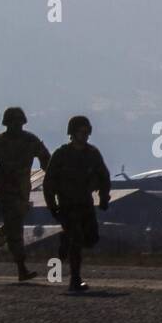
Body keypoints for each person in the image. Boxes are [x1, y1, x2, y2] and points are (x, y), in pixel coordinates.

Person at [0, 107, 51, 281]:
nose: (15, 126)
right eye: (13, 122)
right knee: (15, 228)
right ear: (7, 123)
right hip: (5, 191)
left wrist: (52, 173)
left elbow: (46, 158)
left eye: (18, 122)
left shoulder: (30, 140)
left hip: (21, 192)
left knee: (13, 227)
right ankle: (21, 268)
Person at [43, 115, 110, 293]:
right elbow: (49, 182)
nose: (86, 135)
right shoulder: (61, 155)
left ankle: (65, 239)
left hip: (85, 204)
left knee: (91, 238)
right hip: (67, 205)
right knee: (77, 239)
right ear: (73, 133)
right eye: (82, 132)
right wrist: (52, 205)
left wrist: (104, 197)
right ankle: (75, 279)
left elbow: (104, 176)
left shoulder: (92, 154)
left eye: (87, 132)